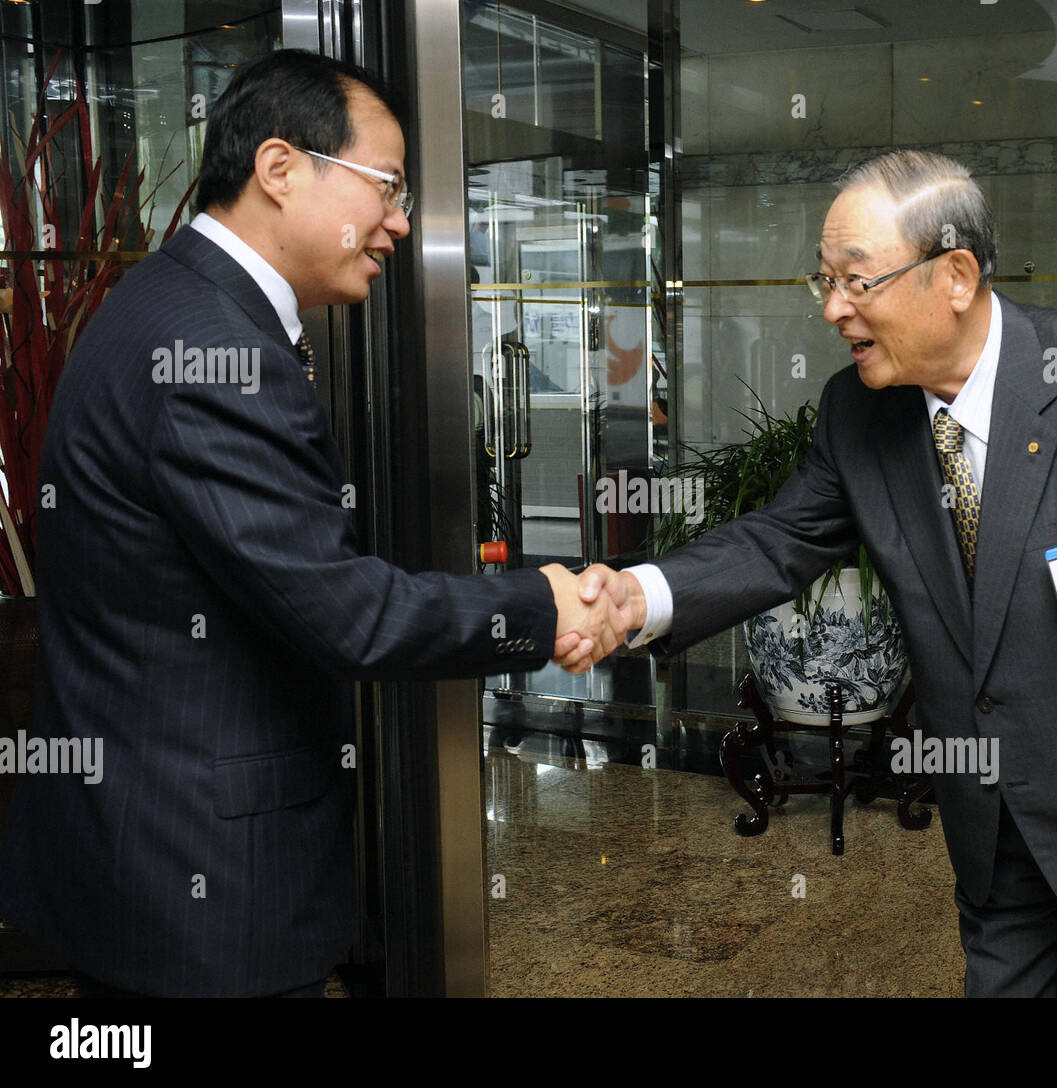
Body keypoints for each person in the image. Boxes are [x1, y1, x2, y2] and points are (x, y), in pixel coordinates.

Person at [0, 50, 626, 998]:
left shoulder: (165, 304)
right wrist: (538, 607)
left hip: (144, 857)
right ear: (281, 168)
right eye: (386, 187)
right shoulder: (215, 352)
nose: (402, 223)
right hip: (201, 891)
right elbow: (345, 614)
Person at [571, 149, 1057, 997]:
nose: (833, 309)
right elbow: (777, 540)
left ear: (957, 275)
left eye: (856, 281)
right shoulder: (859, 412)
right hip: (997, 844)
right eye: (822, 281)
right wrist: (640, 595)